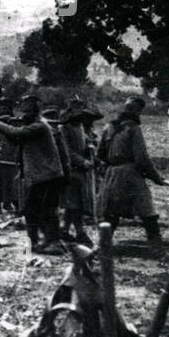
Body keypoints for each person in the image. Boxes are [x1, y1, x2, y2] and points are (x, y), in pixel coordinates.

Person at [0, 94, 65, 255]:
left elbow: (16, 134)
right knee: (34, 210)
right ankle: (41, 241)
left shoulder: (39, 126)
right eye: (23, 112)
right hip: (40, 175)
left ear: (35, 113)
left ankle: (50, 242)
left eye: (27, 112)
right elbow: (15, 139)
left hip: (47, 175)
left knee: (42, 210)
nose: (23, 116)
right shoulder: (33, 127)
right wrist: (6, 124)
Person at [96, 101, 165, 243]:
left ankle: (103, 244)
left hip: (112, 174)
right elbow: (142, 158)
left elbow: (100, 155)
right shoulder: (133, 129)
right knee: (147, 209)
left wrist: (107, 170)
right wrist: (155, 177)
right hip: (130, 174)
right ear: (137, 112)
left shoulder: (108, 127)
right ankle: (156, 244)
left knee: (112, 211)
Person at [60, 99, 97, 245]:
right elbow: (66, 151)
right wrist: (83, 161)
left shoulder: (80, 126)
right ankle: (80, 232)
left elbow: (88, 140)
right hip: (70, 170)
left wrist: (90, 146)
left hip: (81, 172)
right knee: (75, 203)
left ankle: (64, 230)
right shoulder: (64, 128)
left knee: (75, 203)